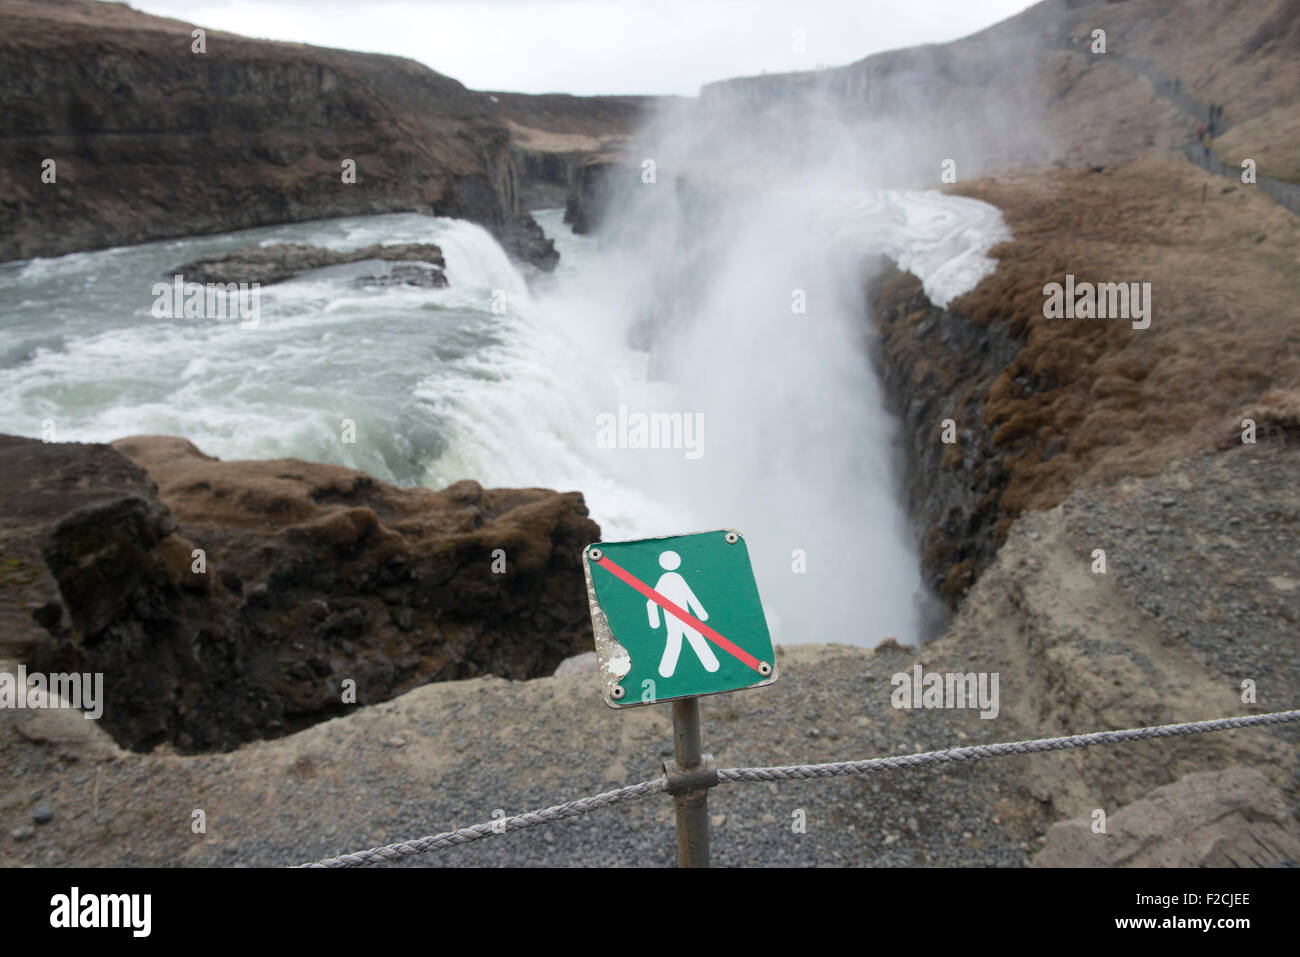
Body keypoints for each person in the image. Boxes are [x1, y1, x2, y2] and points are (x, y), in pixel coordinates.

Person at [648, 550, 720, 677]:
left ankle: (712, 665)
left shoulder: (676, 578)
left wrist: (701, 613)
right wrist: (654, 622)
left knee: (690, 637)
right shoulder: (665, 580)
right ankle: (666, 671)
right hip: (674, 617)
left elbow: (689, 596)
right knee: (677, 639)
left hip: (684, 617)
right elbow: (652, 602)